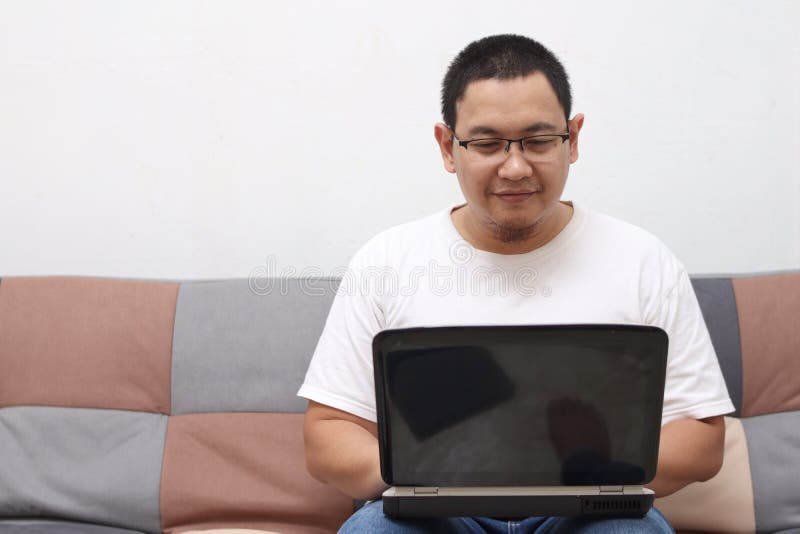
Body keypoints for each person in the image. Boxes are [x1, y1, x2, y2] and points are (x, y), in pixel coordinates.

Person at [298, 34, 734, 533]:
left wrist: (590, 468)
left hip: (586, 510)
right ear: (447, 146)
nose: (515, 166)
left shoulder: (643, 260)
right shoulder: (388, 261)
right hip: (437, 512)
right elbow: (326, 436)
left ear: (573, 139)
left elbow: (703, 437)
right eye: (486, 144)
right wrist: (421, 473)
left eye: (539, 140)